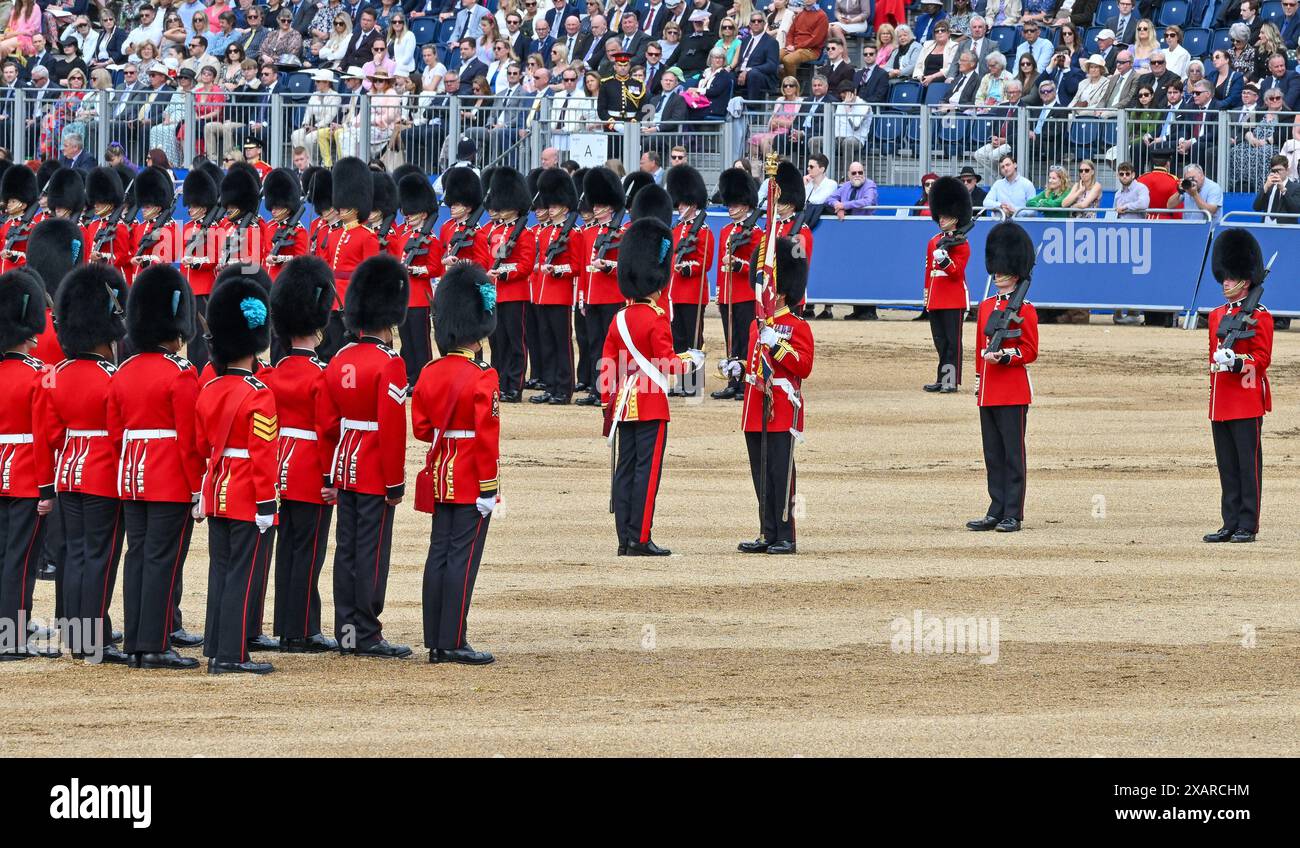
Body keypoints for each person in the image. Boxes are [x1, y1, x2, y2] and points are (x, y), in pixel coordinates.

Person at [107, 262, 204, 669]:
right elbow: (190, 440)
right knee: (164, 559)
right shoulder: (181, 373)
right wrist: (198, 486)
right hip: (168, 478)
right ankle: (157, 643)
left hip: (131, 476)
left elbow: (115, 432)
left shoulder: (123, 371)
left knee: (138, 556)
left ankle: (134, 641)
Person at [318, 251, 411, 659]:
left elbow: (326, 424)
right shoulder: (389, 363)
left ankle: (347, 631)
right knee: (372, 553)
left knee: (348, 550)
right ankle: (367, 632)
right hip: (373, 466)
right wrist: (395, 481)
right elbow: (391, 430)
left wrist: (328, 475)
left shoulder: (338, 359)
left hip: (344, 463)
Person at [409, 263, 500, 665]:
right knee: (462, 559)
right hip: (468, 478)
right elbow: (486, 438)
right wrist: (489, 488)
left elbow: (422, 429)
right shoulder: (482, 375)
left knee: (438, 554)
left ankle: (435, 638)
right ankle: (453, 640)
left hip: (441, 472)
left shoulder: (429, 371)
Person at [601, 216, 704, 556]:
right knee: (647, 473)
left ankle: (622, 539)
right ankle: (640, 537)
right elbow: (669, 366)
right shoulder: (656, 318)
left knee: (625, 470)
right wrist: (693, 361)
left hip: (623, 404)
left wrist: (608, 406)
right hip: (650, 403)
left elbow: (608, 368)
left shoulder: (619, 319)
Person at [193, 271, 278, 675]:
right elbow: (263, 455)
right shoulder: (259, 394)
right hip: (246, 492)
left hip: (217, 487)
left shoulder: (208, 389)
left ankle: (215, 645)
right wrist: (266, 501)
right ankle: (231, 655)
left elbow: (199, 446)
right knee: (242, 574)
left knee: (220, 570)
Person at [968, 221, 1038, 534]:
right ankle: (995, 509)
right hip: (989, 390)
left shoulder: (1027, 308)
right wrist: (979, 378)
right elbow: (978, 350)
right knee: (993, 454)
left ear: (1015, 272)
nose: (998, 275)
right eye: (996, 270)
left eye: (1004, 270)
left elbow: (1030, 351)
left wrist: (1007, 357)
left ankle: (1014, 512)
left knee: (1013, 454)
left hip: (1012, 390)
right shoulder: (984, 307)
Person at [1203, 229, 1272, 545]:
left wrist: (1236, 361)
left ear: (1246, 279)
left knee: (1247, 467)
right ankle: (1229, 522)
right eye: (1224, 277)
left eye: (1231, 277)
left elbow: (1261, 360)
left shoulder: (1260, 316)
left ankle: (1248, 523)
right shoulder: (1217, 315)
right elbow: (1212, 362)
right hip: (1220, 402)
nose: (1225, 282)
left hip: (1245, 401)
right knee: (1227, 468)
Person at [482, 167, 536, 401]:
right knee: (497, 342)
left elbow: (524, 265)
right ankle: (500, 382)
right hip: (495, 293)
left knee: (515, 342)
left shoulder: (524, 234)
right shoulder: (495, 231)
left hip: (514, 292)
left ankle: (514, 385)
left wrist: (503, 273)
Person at [576, 167, 626, 407]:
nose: (595, 208)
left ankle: (612, 389)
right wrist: (582, 297)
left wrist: (608, 266)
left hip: (611, 296)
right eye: (594, 204)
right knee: (594, 344)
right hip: (592, 298)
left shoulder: (621, 232)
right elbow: (584, 269)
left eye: (599, 204)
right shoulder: (588, 233)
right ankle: (598, 390)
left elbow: (623, 266)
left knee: (611, 347)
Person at [531, 168, 582, 404]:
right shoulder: (545, 232)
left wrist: (557, 271)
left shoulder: (574, 232)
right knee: (547, 343)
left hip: (560, 295)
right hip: (541, 295)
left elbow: (576, 266)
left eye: (553, 204)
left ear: (564, 205)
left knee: (562, 344)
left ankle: (564, 388)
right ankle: (550, 386)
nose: (549, 208)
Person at [712, 167, 761, 400]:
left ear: (746, 204)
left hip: (745, 294)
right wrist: (720, 293)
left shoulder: (756, 232)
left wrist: (738, 264)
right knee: (731, 341)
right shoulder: (725, 231)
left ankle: (745, 383)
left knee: (745, 341)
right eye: (729, 204)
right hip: (728, 295)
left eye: (735, 204)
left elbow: (755, 265)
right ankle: (733, 381)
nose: (731, 209)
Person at [923, 177, 971, 394]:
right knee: (941, 342)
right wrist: (927, 298)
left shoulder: (961, 244)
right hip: (936, 298)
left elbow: (956, 274)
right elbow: (928, 274)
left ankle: (951, 380)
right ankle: (941, 378)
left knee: (953, 343)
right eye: (940, 216)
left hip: (953, 299)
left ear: (956, 218)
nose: (942, 220)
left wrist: (945, 259)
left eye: (947, 217)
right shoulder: (934, 241)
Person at [779, 0, 827, 79]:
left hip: (811, 50)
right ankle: (781, 82)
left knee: (788, 60)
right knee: (774, 56)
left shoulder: (822, 16)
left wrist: (795, 47)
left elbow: (816, 40)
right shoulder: (800, 14)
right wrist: (790, 45)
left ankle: (792, 88)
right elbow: (790, 33)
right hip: (795, 47)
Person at [1253, 154, 1300, 222]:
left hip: (1285, 228)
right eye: (1274, 170)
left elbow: (1296, 210)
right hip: (1265, 226)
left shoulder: (1296, 187)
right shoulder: (1268, 186)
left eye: (1279, 170)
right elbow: (1256, 207)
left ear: (1287, 170)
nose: (1276, 173)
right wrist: (1265, 187)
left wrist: (1283, 191)